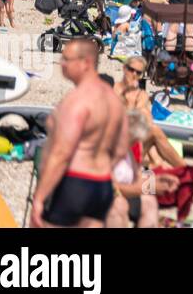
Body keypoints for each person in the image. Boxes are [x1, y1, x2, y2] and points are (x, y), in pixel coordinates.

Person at [31, 38, 127, 228]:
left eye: (67, 59)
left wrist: (40, 197)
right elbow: (122, 148)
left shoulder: (77, 100)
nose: (61, 64)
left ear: (86, 63)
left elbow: (61, 153)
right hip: (102, 185)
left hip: (74, 182)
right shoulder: (114, 100)